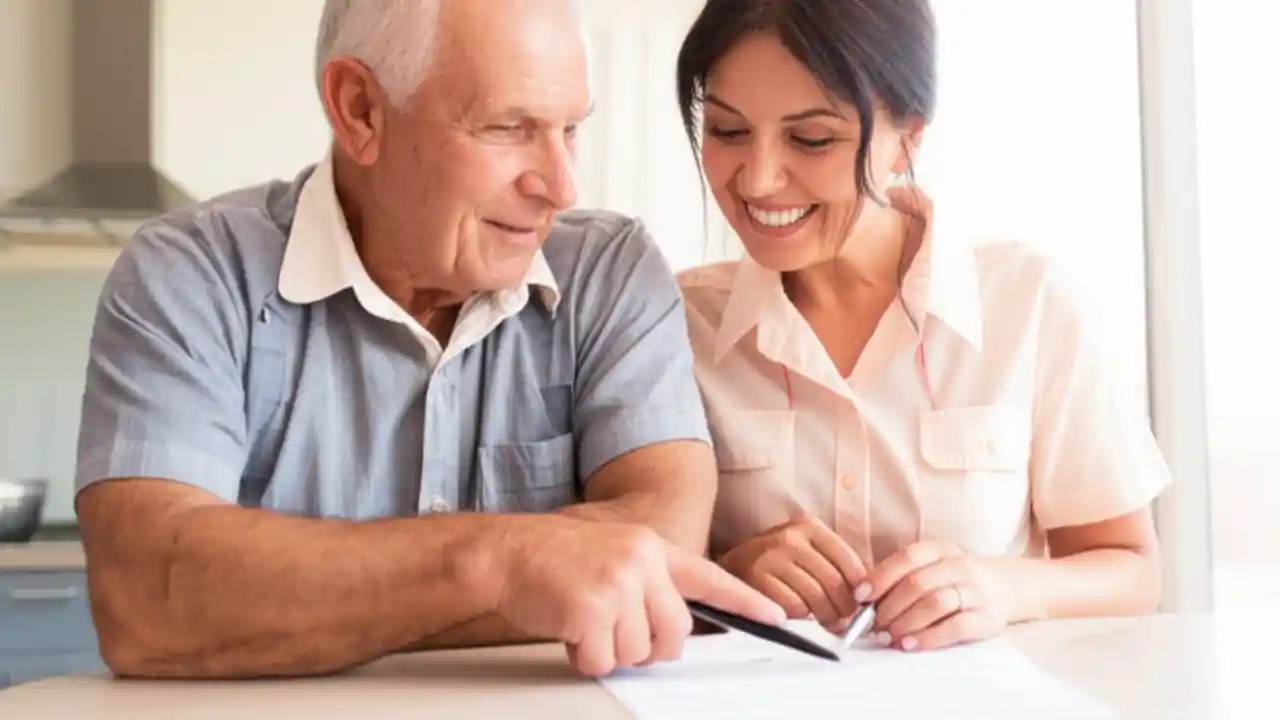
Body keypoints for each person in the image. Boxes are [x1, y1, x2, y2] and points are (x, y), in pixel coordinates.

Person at [72, 0, 782, 681]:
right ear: (361, 110)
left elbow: (658, 555)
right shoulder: (192, 276)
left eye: (569, 130)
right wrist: (499, 563)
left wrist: (288, 606)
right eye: (508, 127)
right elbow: (147, 599)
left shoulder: (607, 273)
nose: (561, 187)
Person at [675, 0, 1172, 652]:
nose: (760, 179)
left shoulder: (1030, 303)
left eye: (812, 139)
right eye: (728, 130)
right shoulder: (674, 323)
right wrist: (725, 578)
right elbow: (627, 576)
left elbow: (1131, 570)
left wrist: (1001, 589)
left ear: (908, 137)